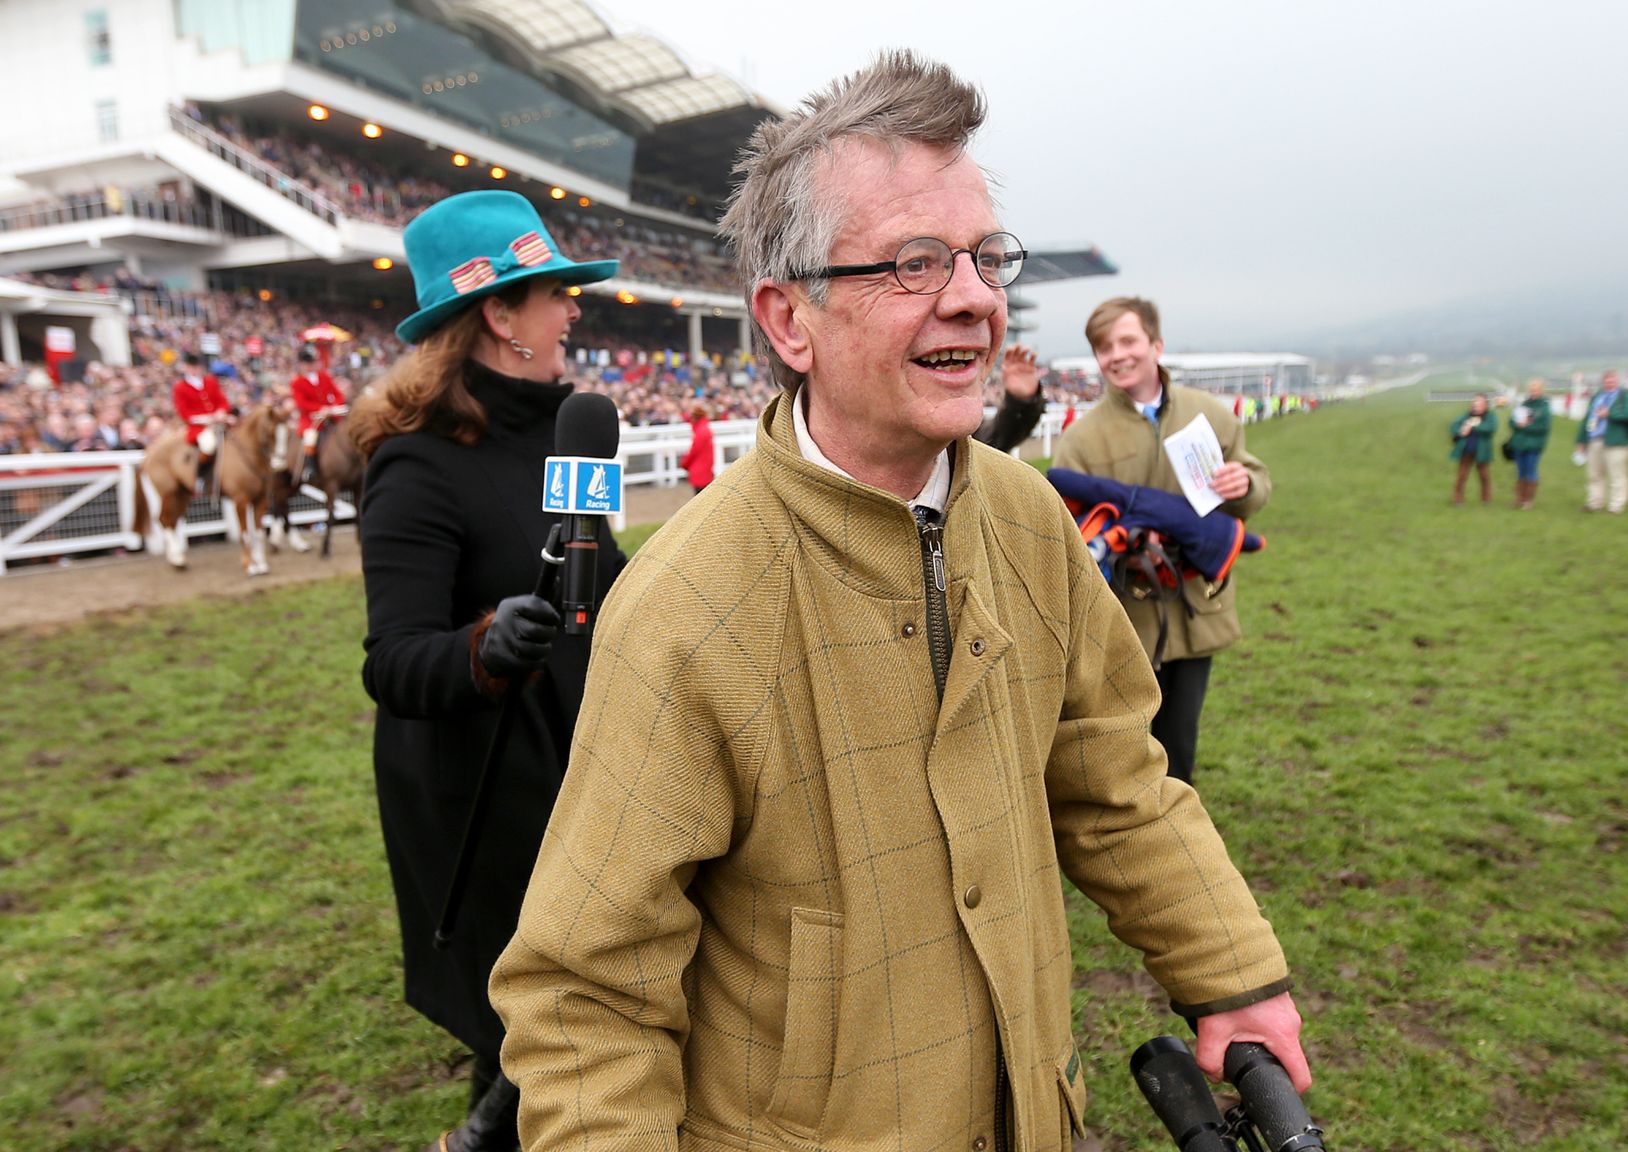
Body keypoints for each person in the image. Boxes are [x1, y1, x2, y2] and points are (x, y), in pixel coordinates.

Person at [489, 53, 1306, 1152]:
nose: (973, 294)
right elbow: (586, 999)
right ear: (788, 321)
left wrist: (1229, 975)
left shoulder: (1028, 524)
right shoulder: (681, 609)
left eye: (982, 257)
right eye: (915, 262)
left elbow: (1116, 784)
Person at [349, 189, 625, 1152]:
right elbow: (393, 662)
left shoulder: (571, 431)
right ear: (502, 316)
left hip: (580, 764)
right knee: (531, 1022)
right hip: (482, 794)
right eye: (556, 294)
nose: (574, 310)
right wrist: (484, 647)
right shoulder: (414, 466)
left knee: (577, 1016)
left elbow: (604, 587)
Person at [1052, 296, 1272, 785]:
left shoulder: (1209, 415)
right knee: (1124, 757)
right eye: (1104, 348)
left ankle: (1185, 853)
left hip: (1198, 610)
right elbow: (1064, 530)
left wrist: (1246, 484)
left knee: (1180, 751)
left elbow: (1253, 480)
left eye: (1128, 341)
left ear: (1156, 344)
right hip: (1123, 619)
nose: (1117, 355)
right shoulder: (1080, 439)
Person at [1574, 369, 1628, 513]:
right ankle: (1595, 502)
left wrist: (1610, 414)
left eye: (1612, 380)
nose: (1609, 382)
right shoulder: (1597, 397)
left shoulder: (1624, 396)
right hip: (1595, 439)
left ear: (1617, 381)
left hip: (1616, 441)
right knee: (1594, 474)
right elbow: (1588, 418)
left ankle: (1616, 505)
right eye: (1607, 380)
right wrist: (1581, 440)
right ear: (1603, 382)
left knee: (1617, 474)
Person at [172, 351, 231, 496]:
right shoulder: (180, 387)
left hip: (220, 422)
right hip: (199, 427)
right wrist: (209, 418)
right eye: (192, 366)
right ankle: (200, 478)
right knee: (209, 445)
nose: (195, 369)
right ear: (186, 367)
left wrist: (222, 412)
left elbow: (222, 401)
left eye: (197, 366)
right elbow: (185, 414)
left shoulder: (211, 381)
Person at [290, 345, 349, 484]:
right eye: (308, 362)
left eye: (313, 362)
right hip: (312, 420)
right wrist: (321, 409)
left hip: (331, 415)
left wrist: (333, 407)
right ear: (302, 364)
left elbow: (338, 394)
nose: (311, 365)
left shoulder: (324, 376)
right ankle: (310, 468)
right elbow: (301, 404)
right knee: (310, 437)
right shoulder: (297, 382)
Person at [1505, 378, 1552, 508]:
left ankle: (1528, 500)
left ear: (1541, 390)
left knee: (1531, 471)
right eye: (1531, 389)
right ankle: (1519, 498)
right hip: (1519, 444)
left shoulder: (1544, 407)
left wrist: (1526, 426)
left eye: (1536, 389)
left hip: (1534, 445)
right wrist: (1517, 424)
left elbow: (1544, 427)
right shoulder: (1524, 404)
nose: (1533, 392)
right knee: (1520, 471)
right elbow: (1511, 422)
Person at [1448, 393, 1497, 505]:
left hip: (1482, 452)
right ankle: (1458, 499)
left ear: (1485, 405)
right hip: (1466, 451)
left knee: (1484, 476)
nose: (1476, 405)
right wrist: (1461, 431)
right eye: (1475, 402)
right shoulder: (1467, 415)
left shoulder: (1490, 416)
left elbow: (1490, 428)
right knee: (1462, 476)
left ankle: (1486, 498)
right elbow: (1454, 425)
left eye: (1479, 403)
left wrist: (1474, 426)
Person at [681, 400, 715, 492]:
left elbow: (693, 452)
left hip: (700, 473)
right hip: (705, 471)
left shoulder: (701, 432)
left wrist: (684, 463)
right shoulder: (704, 429)